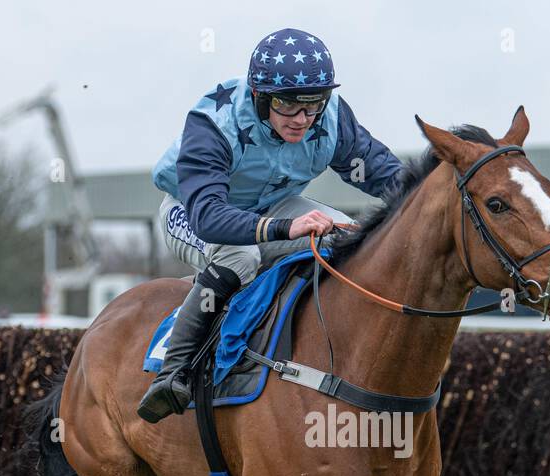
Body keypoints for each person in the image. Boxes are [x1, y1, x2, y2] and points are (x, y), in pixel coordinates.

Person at [138, 28, 404, 422]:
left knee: (349, 239)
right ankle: (173, 373)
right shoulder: (213, 123)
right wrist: (283, 228)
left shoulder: (329, 118)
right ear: (260, 97)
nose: (302, 120)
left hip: (272, 205)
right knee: (242, 257)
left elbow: (388, 177)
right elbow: (209, 217)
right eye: (288, 105)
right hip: (195, 212)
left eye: (314, 104)